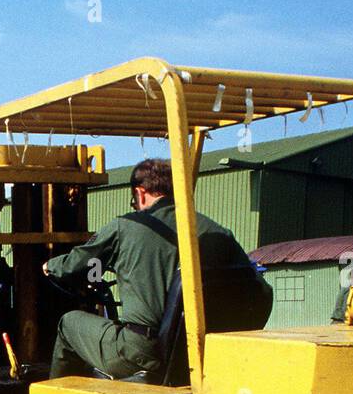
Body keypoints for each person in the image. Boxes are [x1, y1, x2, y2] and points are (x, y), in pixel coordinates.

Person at [43, 157, 262, 380]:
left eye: (133, 201)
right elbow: (260, 289)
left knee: (68, 324)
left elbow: (74, 265)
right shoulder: (218, 232)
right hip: (198, 354)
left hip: (143, 351)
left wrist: (49, 266)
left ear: (139, 193)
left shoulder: (127, 225)